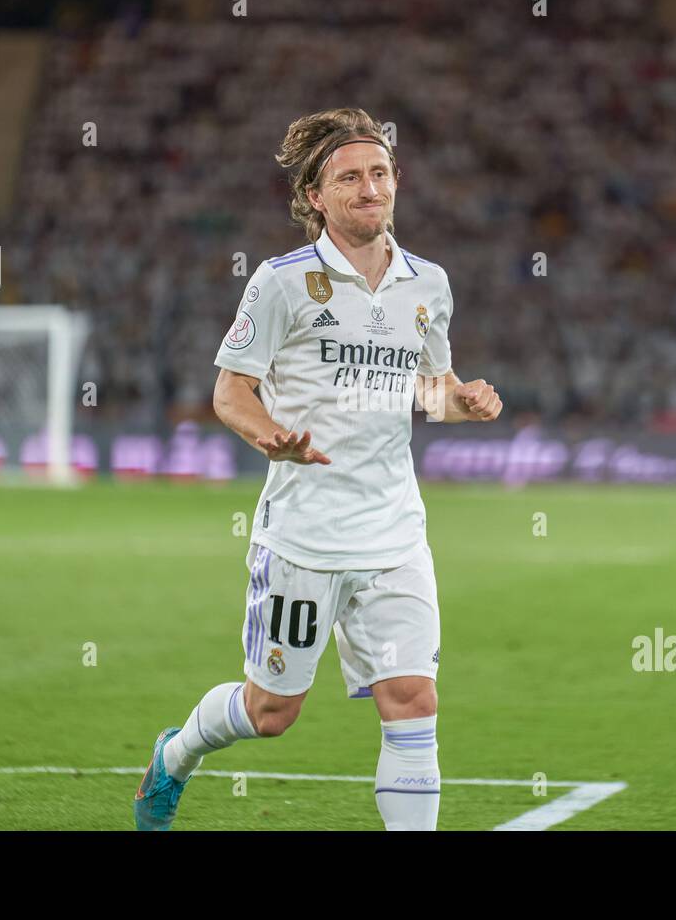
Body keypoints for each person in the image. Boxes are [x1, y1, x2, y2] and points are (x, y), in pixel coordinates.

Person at [134, 107, 503, 831]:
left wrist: (464, 399)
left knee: (413, 700)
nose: (370, 188)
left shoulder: (428, 284)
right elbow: (229, 391)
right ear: (316, 198)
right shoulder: (281, 284)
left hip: (395, 532)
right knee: (271, 713)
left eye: (379, 173)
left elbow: (430, 391)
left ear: (397, 181)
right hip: (304, 534)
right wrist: (273, 436)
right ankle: (175, 756)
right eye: (349, 178)